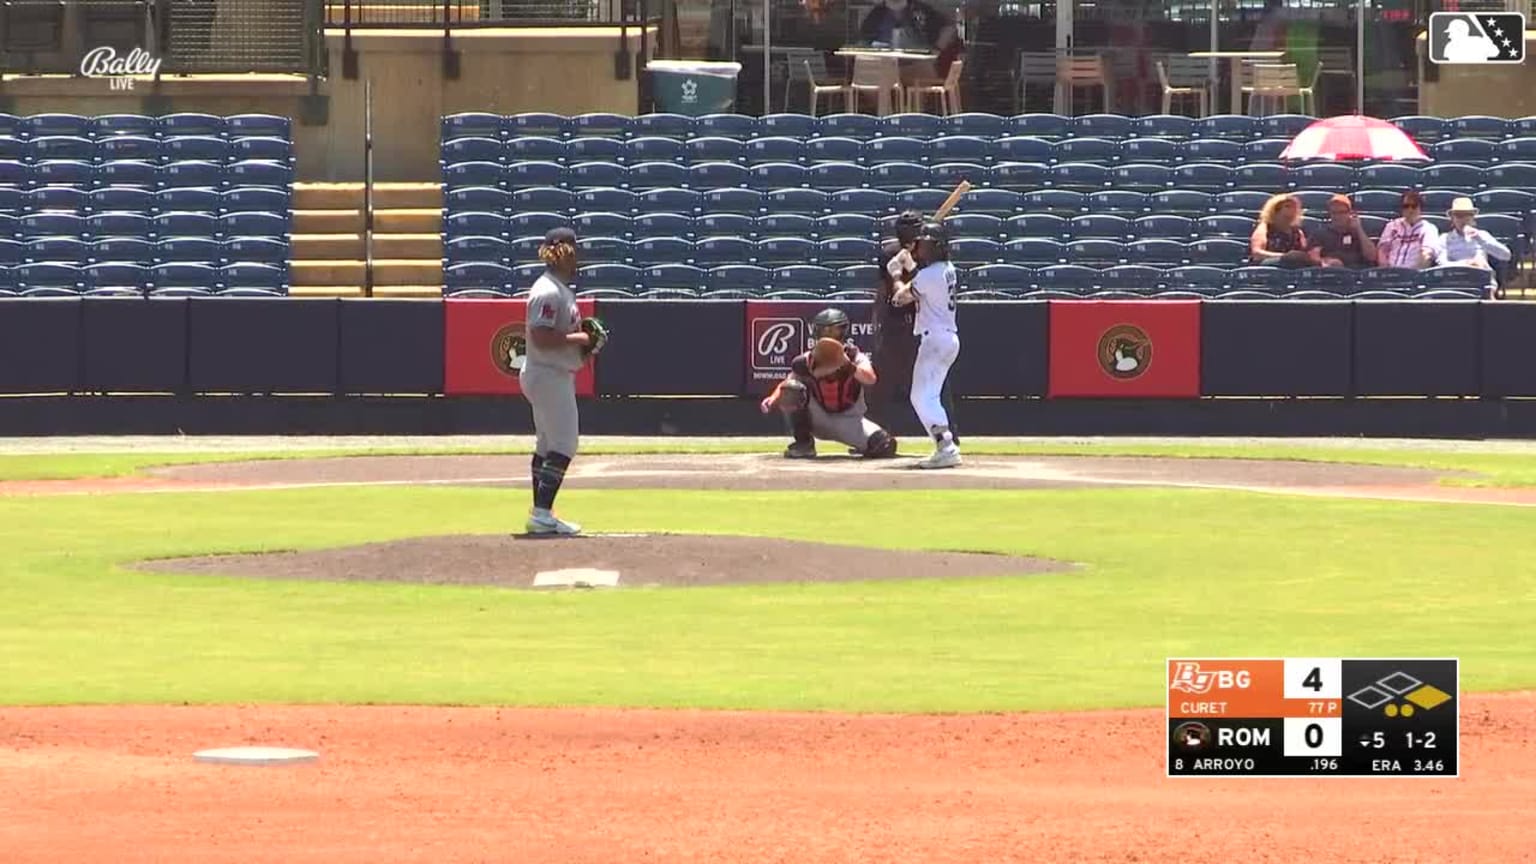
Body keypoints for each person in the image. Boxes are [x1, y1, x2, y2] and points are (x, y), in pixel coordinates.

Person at [519, 227, 602, 536]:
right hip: (548, 373)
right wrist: (580, 338)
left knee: (547, 445)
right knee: (565, 444)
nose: (578, 258)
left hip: (547, 373)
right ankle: (541, 512)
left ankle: (543, 512)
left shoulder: (557, 287)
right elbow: (541, 336)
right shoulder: (548, 290)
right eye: (574, 251)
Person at [869, 210, 960, 446]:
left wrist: (901, 270)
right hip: (912, 331)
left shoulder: (929, 266)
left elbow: (903, 294)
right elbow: (892, 296)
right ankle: (877, 439)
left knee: (928, 394)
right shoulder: (945, 267)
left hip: (928, 334)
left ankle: (948, 443)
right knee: (888, 387)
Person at [759, 307, 899, 460]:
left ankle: (861, 445)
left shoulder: (855, 356)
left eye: (834, 331)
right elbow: (786, 383)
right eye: (825, 330)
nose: (829, 336)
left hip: (849, 420)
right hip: (817, 417)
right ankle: (803, 443)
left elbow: (870, 379)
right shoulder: (805, 361)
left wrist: (847, 365)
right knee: (792, 388)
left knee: (884, 446)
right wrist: (772, 398)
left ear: (843, 332)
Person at [890, 221, 960, 469]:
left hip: (935, 340)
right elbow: (923, 277)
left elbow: (900, 299)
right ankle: (945, 446)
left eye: (925, 245)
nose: (921, 248)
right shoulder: (947, 268)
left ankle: (946, 446)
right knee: (928, 396)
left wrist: (896, 274)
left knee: (921, 397)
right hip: (947, 338)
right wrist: (909, 264)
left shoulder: (930, 275)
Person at [1424, 196, 1512, 297]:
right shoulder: (1444, 238)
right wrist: (1467, 263)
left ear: (1472, 217)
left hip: (1480, 281)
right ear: (1452, 218)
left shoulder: (1482, 235)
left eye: (1467, 215)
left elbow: (1506, 255)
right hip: (1454, 282)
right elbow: (1442, 263)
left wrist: (1481, 239)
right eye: (1459, 216)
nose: (1463, 219)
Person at [858, 0, 963, 81]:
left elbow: (949, 27)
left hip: (916, 65)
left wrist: (937, 49)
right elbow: (863, 41)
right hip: (883, 65)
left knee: (922, 70)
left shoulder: (921, 11)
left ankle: (911, 106)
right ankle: (888, 106)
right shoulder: (876, 14)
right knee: (865, 71)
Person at [1249, 193, 1319, 268]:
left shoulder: (1297, 232)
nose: (1291, 210)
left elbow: (1303, 254)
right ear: (1275, 210)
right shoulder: (1265, 228)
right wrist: (1285, 256)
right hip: (1269, 265)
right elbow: (1256, 253)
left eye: (1294, 207)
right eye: (1287, 206)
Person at [1375, 190, 1439, 269]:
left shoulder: (1429, 228)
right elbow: (1382, 251)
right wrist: (1386, 272)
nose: (1410, 210)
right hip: (1390, 272)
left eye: (1414, 206)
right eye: (1406, 206)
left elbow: (1426, 255)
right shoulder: (1392, 226)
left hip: (1414, 273)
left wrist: (1415, 275)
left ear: (1420, 208)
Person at [1308, 194, 1377, 268]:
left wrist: (1359, 229)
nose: (1337, 216)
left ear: (1350, 213)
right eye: (1334, 213)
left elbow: (1371, 257)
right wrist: (1326, 262)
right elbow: (1313, 257)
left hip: (1355, 272)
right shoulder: (1320, 233)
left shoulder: (1359, 233)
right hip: (1330, 272)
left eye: (1341, 212)